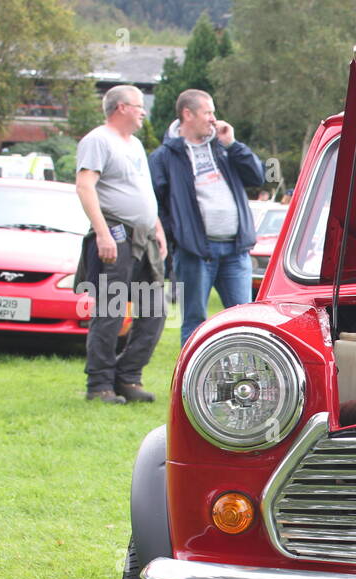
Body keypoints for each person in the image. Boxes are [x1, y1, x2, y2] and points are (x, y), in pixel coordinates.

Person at [74, 85, 168, 404]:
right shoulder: (98, 140)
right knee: (111, 310)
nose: (144, 112)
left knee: (154, 310)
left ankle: (128, 377)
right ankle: (99, 385)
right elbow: (85, 186)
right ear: (121, 108)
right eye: (139, 106)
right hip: (116, 234)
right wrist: (102, 233)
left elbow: (142, 190)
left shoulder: (137, 144)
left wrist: (156, 227)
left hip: (144, 237)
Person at [150, 88, 265, 344]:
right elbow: (157, 204)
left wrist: (233, 144)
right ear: (187, 114)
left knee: (244, 320)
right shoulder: (165, 157)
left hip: (236, 252)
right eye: (208, 112)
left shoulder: (223, 147)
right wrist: (179, 237)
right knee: (194, 321)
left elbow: (257, 177)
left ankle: (241, 380)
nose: (214, 118)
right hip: (195, 253)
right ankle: (189, 383)